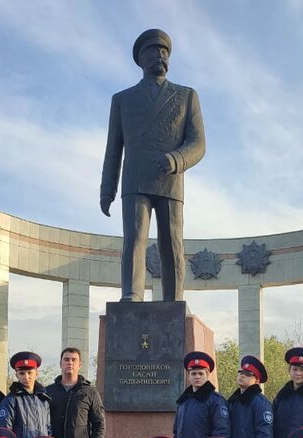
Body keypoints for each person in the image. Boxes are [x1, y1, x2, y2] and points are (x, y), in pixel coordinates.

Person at [100, 28, 206, 302]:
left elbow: (198, 144)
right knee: (134, 239)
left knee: (172, 243)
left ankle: (173, 299)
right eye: (155, 51)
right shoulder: (122, 100)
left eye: (165, 51)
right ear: (141, 58)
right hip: (135, 179)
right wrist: (107, 189)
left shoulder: (186, 96)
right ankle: (131, 294)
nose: (161, 56)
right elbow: (114, 149)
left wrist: (177, 159)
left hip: (170, 178)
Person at [46, 346, 106, 438]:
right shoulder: (48, 392)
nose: (70, 363)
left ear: (80, 365)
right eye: (66, 359)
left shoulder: (90, 392)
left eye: (74, 360)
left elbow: (99, 424)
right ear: (60, 364)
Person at [173, 351, 230, 438]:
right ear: (188, 376)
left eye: (201, 373)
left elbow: (221, 434)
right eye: (193, 374)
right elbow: (176, 432)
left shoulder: (216, 401)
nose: (197, 377)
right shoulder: (183, 402)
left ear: (207, 375)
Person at [0, 351, 52, 438]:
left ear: (36, 373)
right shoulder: (11, 400)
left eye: (29, 372)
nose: (26, 377)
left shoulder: (44, 399)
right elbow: (6, 432)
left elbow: (48, 429)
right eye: (22, 373)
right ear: (16, 375)